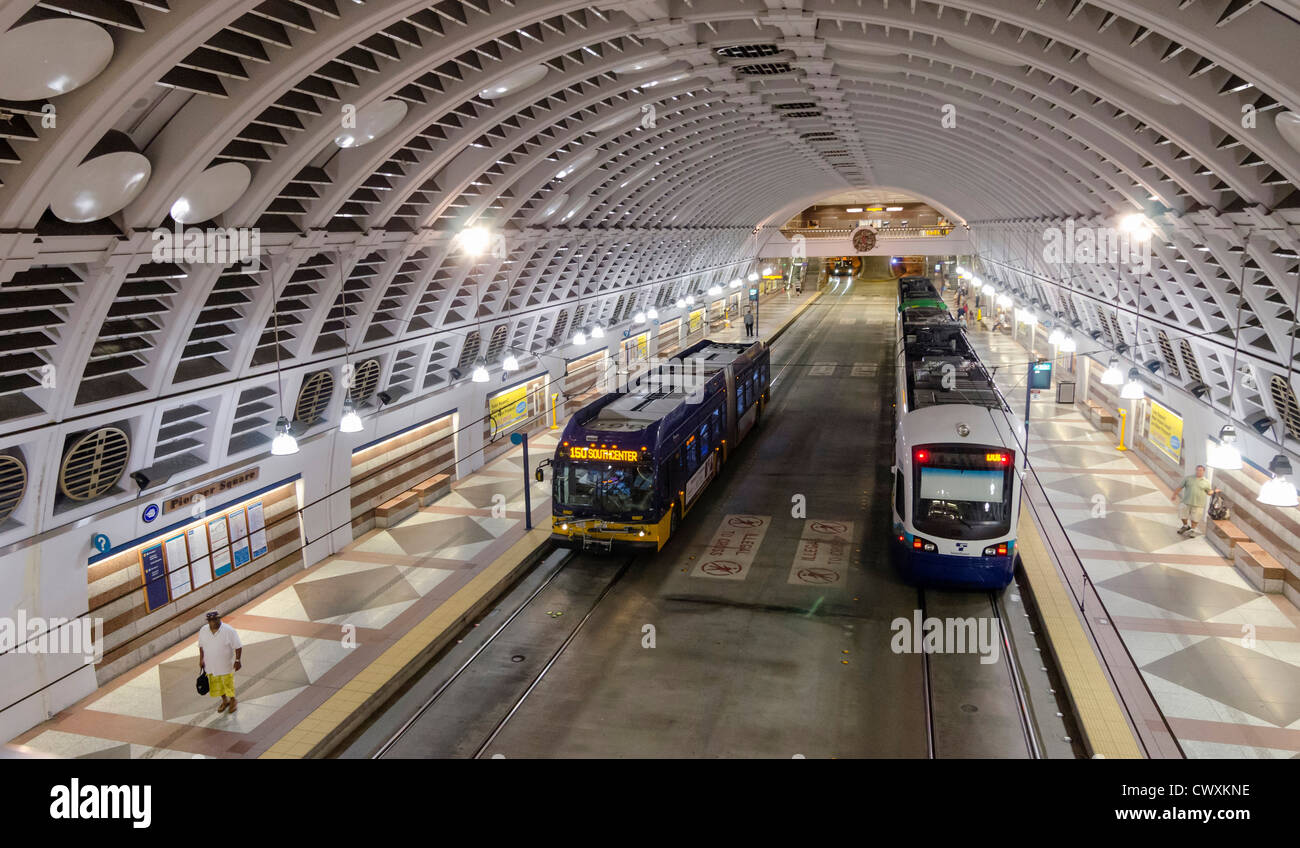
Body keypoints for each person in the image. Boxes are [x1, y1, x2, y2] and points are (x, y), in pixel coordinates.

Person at [198, 610, 243, 714]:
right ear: (208, 621)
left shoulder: (229, 630)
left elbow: (238, 646)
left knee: (228, 684)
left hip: (225, 665)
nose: (213, 622)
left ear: (219, 618)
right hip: (210, 665)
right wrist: (201, 659)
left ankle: (233, 701)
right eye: (210, 620)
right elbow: (201, 646)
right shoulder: (203, 630)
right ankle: (224, 701)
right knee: (217, 684)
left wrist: (237, 660)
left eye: (214, 619)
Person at [1172, 465, 1218, 536]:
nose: (1198, 472)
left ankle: (1192, 530)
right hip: (1186, 501)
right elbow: (1180, 487)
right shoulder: (1188, 478)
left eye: (1200, 470)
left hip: (1198, 504)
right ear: (1195, 470)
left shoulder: (1206, 482)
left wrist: (1214, 491)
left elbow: (1209, 492)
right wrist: (1174, 494)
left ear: (1203, 471)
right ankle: (1185, 526)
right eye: (1197, 470)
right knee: (1182, 515)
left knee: (1195, 518)